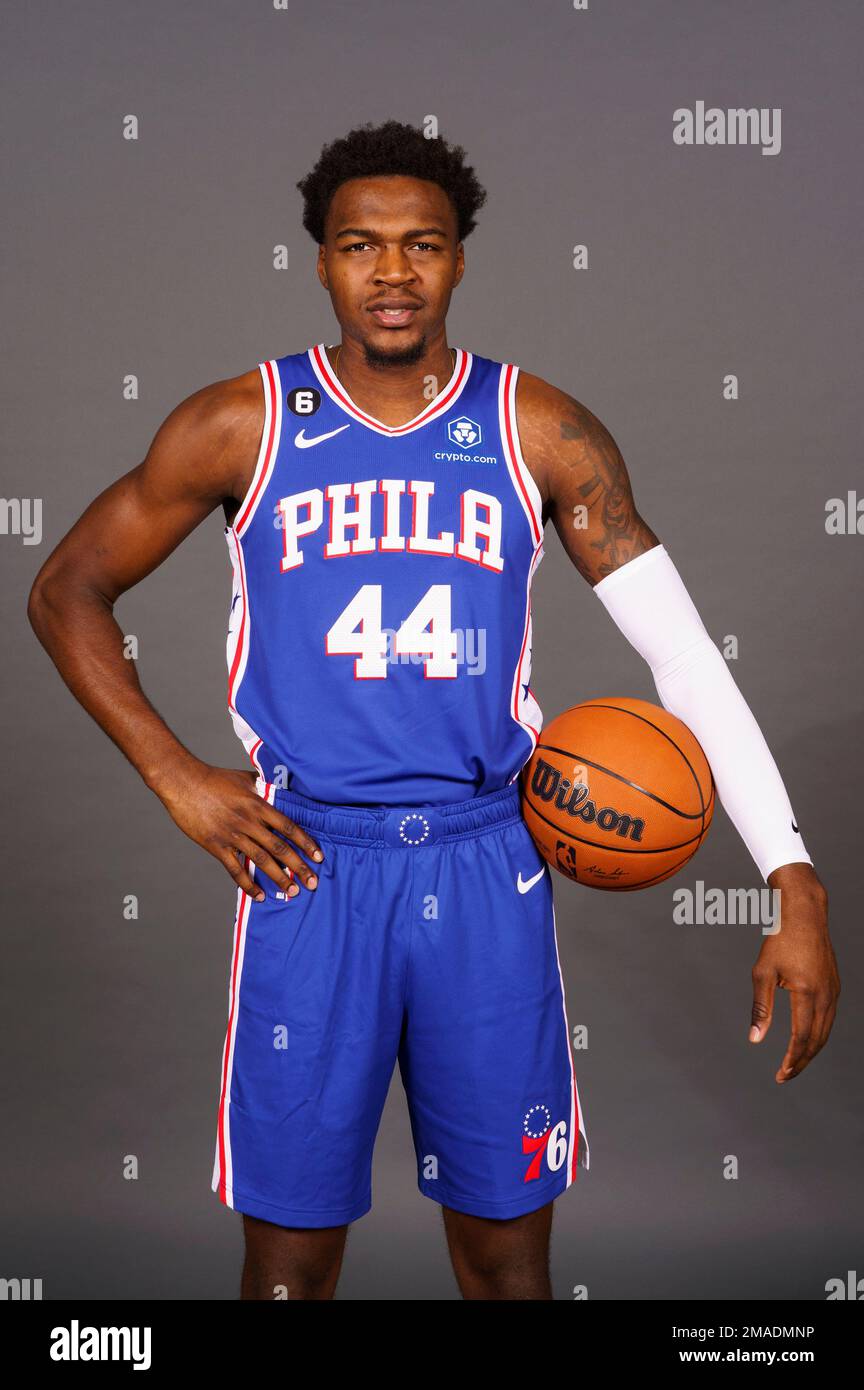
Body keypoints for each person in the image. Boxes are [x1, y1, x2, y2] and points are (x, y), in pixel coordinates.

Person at [27, 120, 838, 1301]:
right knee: (290, 1265)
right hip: (305, 868)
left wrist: (793, 876)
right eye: (362, 245)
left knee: (508, 1263)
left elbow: (683, 658)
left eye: (424, 245)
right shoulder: (240, 424)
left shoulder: (537, 429)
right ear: (319, 261)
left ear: (460, 260)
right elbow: (66, 592)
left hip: (485, 869)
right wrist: (178, 777)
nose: (393, 272)